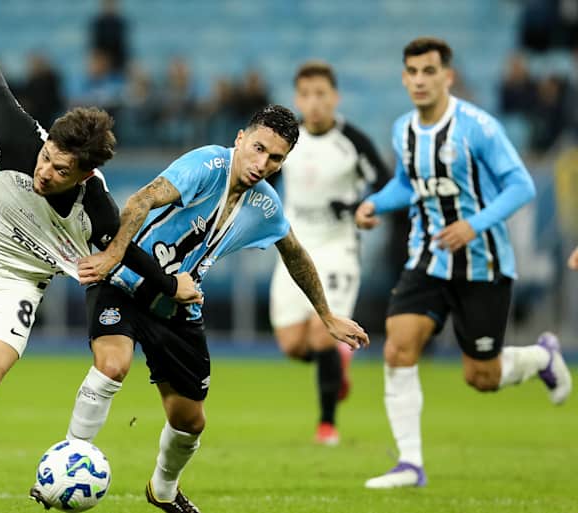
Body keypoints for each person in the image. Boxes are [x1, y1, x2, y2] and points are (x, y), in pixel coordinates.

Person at [0, 2, 200, 512]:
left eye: (60, 170)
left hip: (17, 283)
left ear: (84, 175)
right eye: (47, 158)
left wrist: (171, 285)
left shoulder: (96, 208)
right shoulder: (15, 135)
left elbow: (127, 251)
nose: (45, 171)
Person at [61, 105, 369, 513]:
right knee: (113, 365)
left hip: (178, 306)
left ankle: (163, 490)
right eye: (258, 148)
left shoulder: (265, 206)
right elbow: (141, 200)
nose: (262, 163)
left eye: (275, 158)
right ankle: (67, 461)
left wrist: (327, 316)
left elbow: (295, 254)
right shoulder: (207, 165)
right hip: (124, 282)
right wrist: (113, 254)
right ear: (241, 138)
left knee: (190, 422)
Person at [355, 37, 572, 489]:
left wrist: (474, 225)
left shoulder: (479, 127)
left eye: (428, 71)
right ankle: (410, 464)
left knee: (482, 376)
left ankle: (541, 358)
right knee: (398, 345)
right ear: (403, 77)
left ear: (447, 76)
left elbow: (521, 187)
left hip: (483, 262)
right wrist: (376, 203)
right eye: (412, 71)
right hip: (428, 258)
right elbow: (407, 183)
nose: (419, 80)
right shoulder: (403, 130)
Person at [268, 61, 389, 446]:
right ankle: (339, 364)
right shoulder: (288, 141)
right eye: (306, 95)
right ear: (297, 99)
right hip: (294, 247)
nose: (314, 102)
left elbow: (384, 182)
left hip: (338, 247)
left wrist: (361, 209)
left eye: (321, 94)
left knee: (323, 334)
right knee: (292, 344)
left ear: (334, 97)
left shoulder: (351, 140)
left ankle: (327, 426)